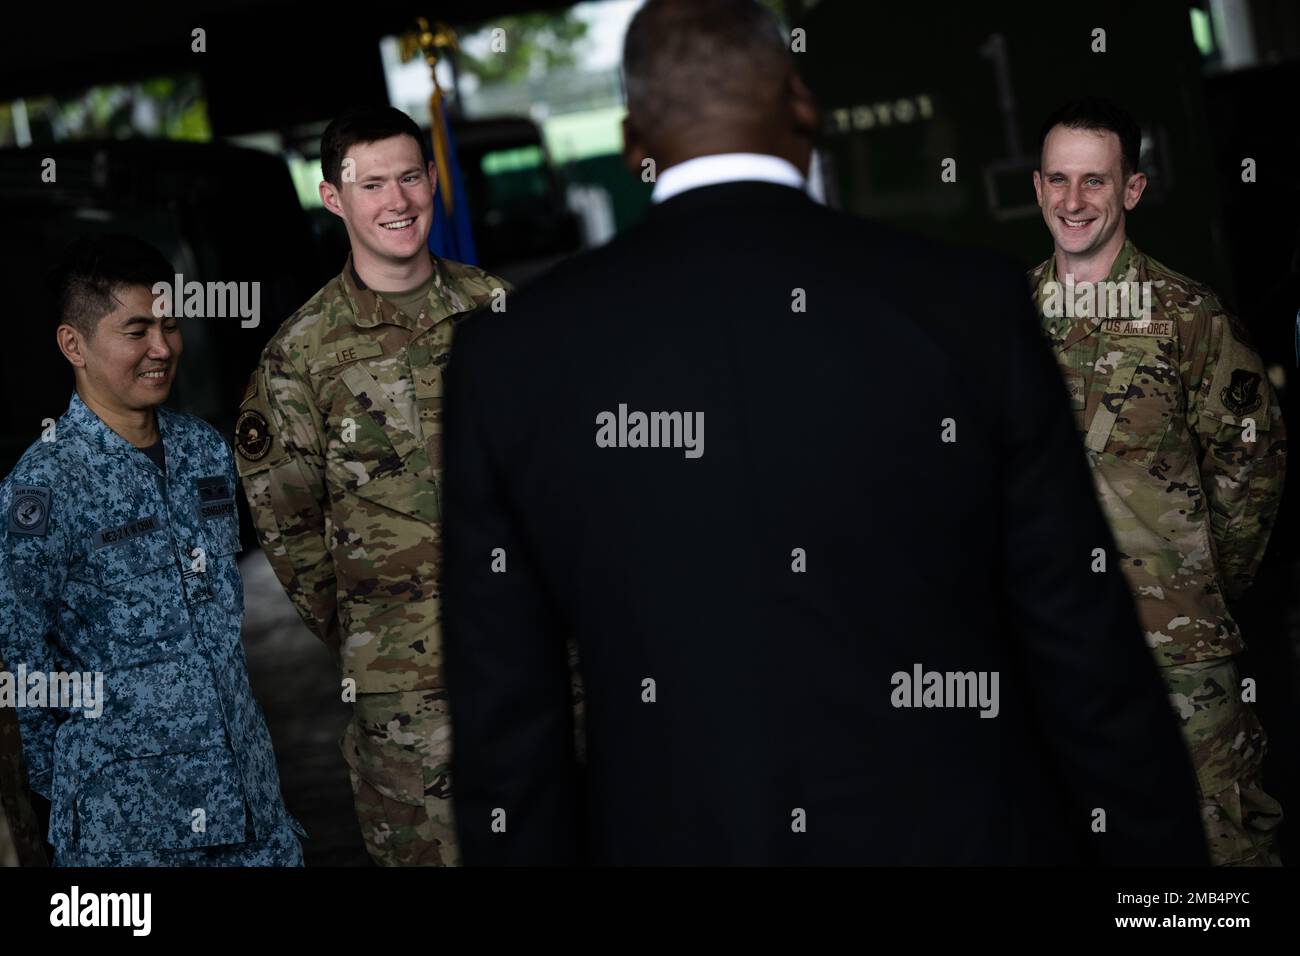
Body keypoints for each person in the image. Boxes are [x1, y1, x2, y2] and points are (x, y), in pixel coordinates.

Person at [438, 0, 1208, 865]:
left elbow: (507, 726)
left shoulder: (509, 358)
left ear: (632, 140)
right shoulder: (966, 306)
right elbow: (1084, 652)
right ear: (804, 105)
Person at [236, 106, 510, 866]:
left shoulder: (502, 312)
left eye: (412, 177)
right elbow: (287, 534)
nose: (398, 201)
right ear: (334, 199)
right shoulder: (300, 357)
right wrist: (377, 635)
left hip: (532, 676)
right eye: (373, 184)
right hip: (404, 707)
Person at [1028, 97, 1287, 866]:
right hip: (1058, 652)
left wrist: (1203, 584)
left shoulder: (1187, 316)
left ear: (1132, 190)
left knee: (1217, 845)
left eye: (1095, 182)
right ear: (1039, 189)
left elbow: (1252, 457)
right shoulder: (1007, 321)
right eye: (1058, 180)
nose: (1074, 202)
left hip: (1182, 652)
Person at [0, 234, 304, 866]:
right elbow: (18, 665)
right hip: (131, 831)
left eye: (170, 325)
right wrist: (72, 795)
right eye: (136, 330)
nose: (162, 348)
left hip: (251, 808)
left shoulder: (204, 453)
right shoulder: (45, 487)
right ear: (73, 345)